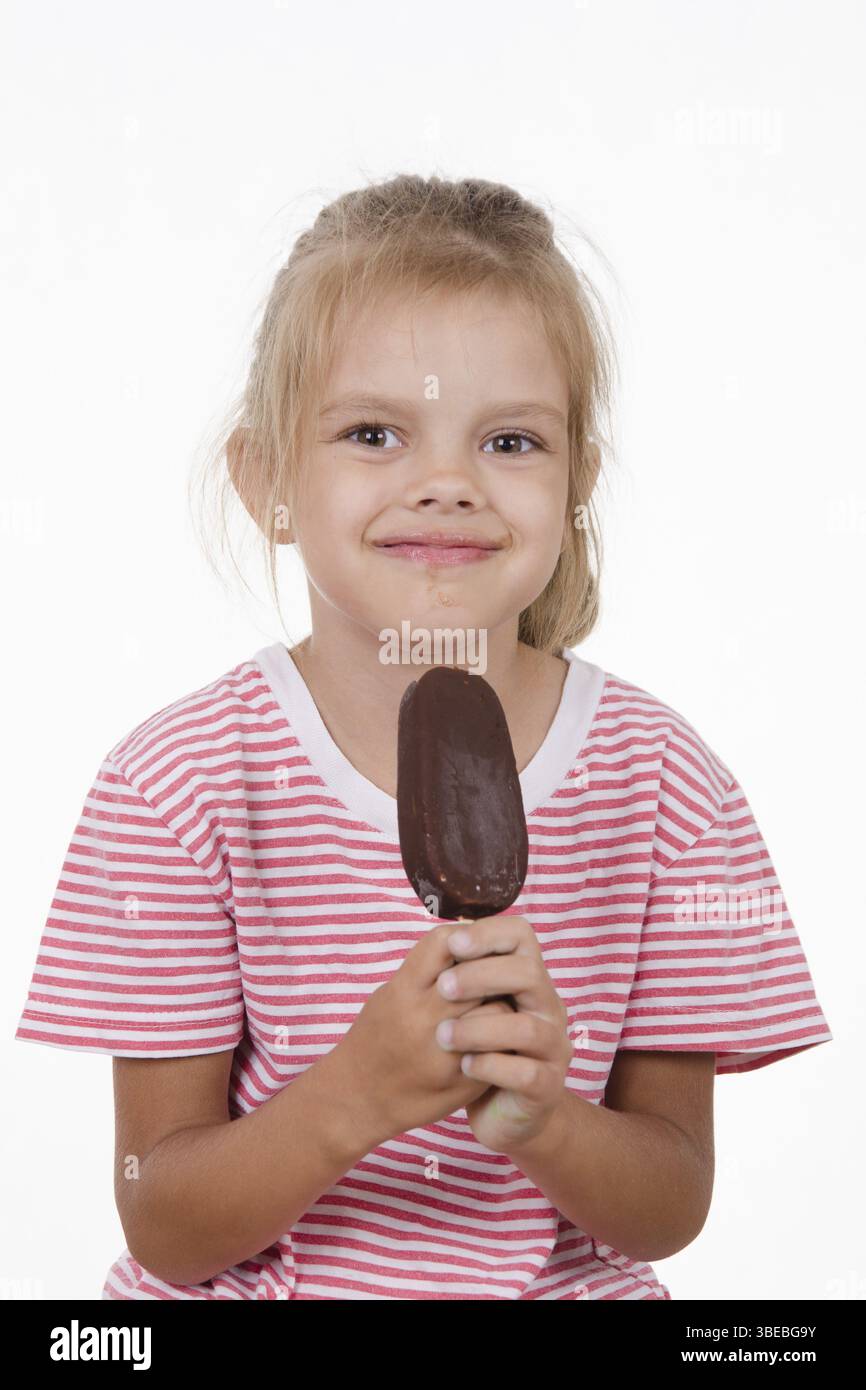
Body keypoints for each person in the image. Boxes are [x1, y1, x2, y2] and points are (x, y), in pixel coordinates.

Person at [14, 174, 832, 1300]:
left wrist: (542, 1116)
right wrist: (354, 1091)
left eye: (508, 440)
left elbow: (670, 1199)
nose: (444, 483)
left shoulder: (664, 784)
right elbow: (164, 1218)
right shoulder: (179, 783)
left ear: (575, 481)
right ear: (267, 482)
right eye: (372, 432)